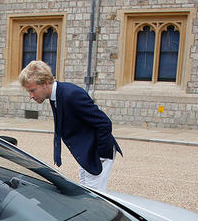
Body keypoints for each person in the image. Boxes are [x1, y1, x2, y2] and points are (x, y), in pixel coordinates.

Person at [18, 60, 122, 191]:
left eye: (32, 90)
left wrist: (101, 155)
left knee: (94, 199)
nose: (31, 96)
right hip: (86, 153)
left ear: (45, 83)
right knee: (85, 194)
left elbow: (104, 123)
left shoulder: (71, 94)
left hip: (96, 153)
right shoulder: (56, 95)